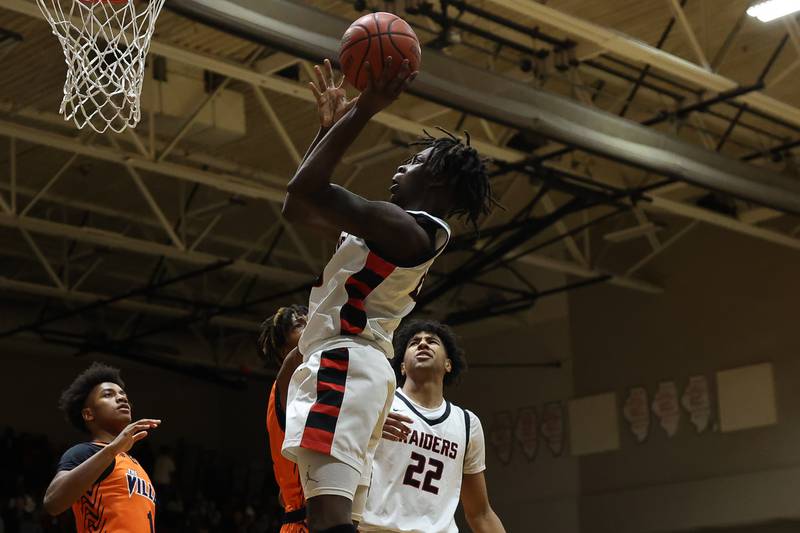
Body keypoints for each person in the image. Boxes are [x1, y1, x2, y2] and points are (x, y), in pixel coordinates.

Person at [280, 57, 496, 533]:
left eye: (415, 161)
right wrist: (327, 131)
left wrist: (364, 110)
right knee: (340, 523)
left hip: (347, 363)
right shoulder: (398, 230)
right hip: (357, 368)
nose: (402, 165)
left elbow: (307, 190)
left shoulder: (405, 229)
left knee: (328, 520)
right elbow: (297, 206)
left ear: (437, 180)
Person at [357, 319, 505, 533]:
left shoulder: (466, 423)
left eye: (432, 341)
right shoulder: (380, 404)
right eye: (414, 342)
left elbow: (480, 513)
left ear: (448, 364)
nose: (423, 344)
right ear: (402, 366)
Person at [43, 362, 160, 532]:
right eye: (108, 395)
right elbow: (52, 502)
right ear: (88, 414)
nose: (121, 398)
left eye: (123, 394)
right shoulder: (85, 452)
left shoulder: (134, 463)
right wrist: (112, 449)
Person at [259, 304, 309, 532]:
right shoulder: (287, 381)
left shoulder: (320, 384)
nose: (310, 327)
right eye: (299, 326)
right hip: (304, 523)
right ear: (283, 351)